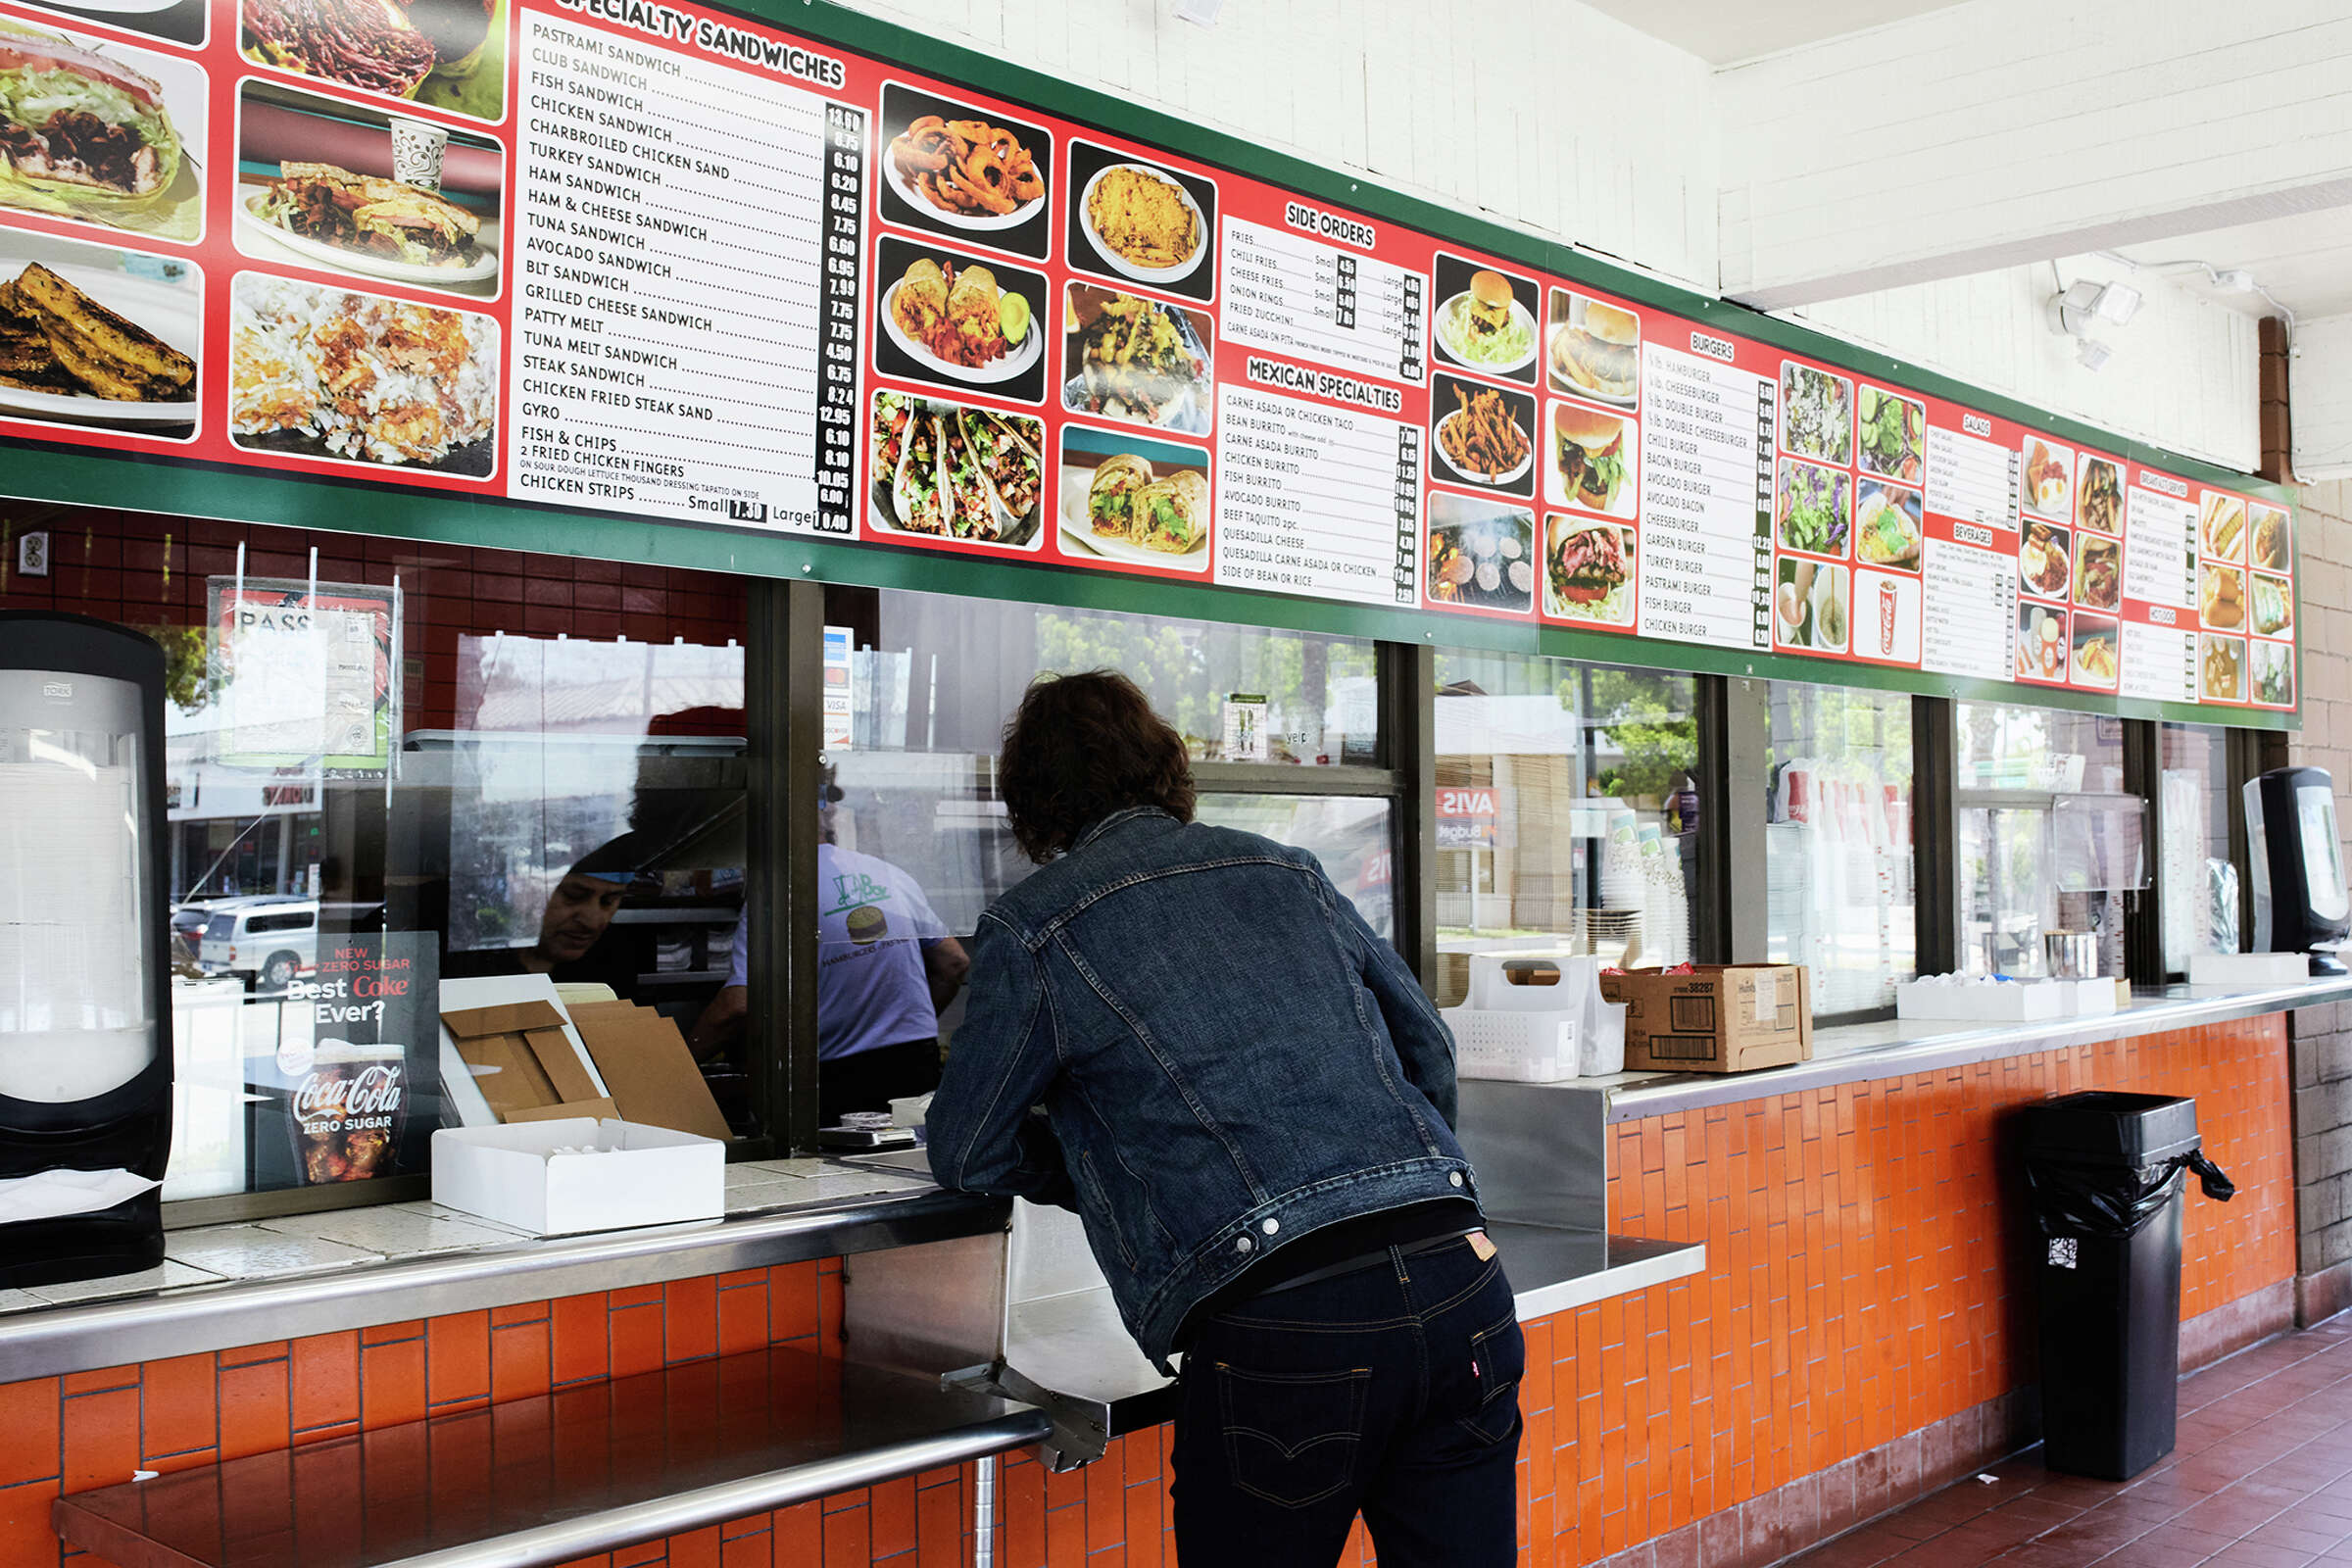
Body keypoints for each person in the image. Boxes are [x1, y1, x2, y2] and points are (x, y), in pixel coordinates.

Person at [928, 671, 1520, 1567]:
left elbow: (967, 1150)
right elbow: (1427, 1047)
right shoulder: (1288, 869)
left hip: (1286, 1325)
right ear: (1164, 765)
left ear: (1033, 800)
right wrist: (1404, 1180)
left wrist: (1096, 1176)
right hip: (1459, 1279)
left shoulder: (1034, 928)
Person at [689, 777, 969, 1123]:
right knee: (907, 1166)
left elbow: (737, 1005)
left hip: (835, 1075)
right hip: (915, 1063)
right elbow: (954, 962)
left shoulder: (779, 891)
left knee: (837, 1171)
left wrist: (679, 1062)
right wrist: (903, 1027)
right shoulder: (888, 874)